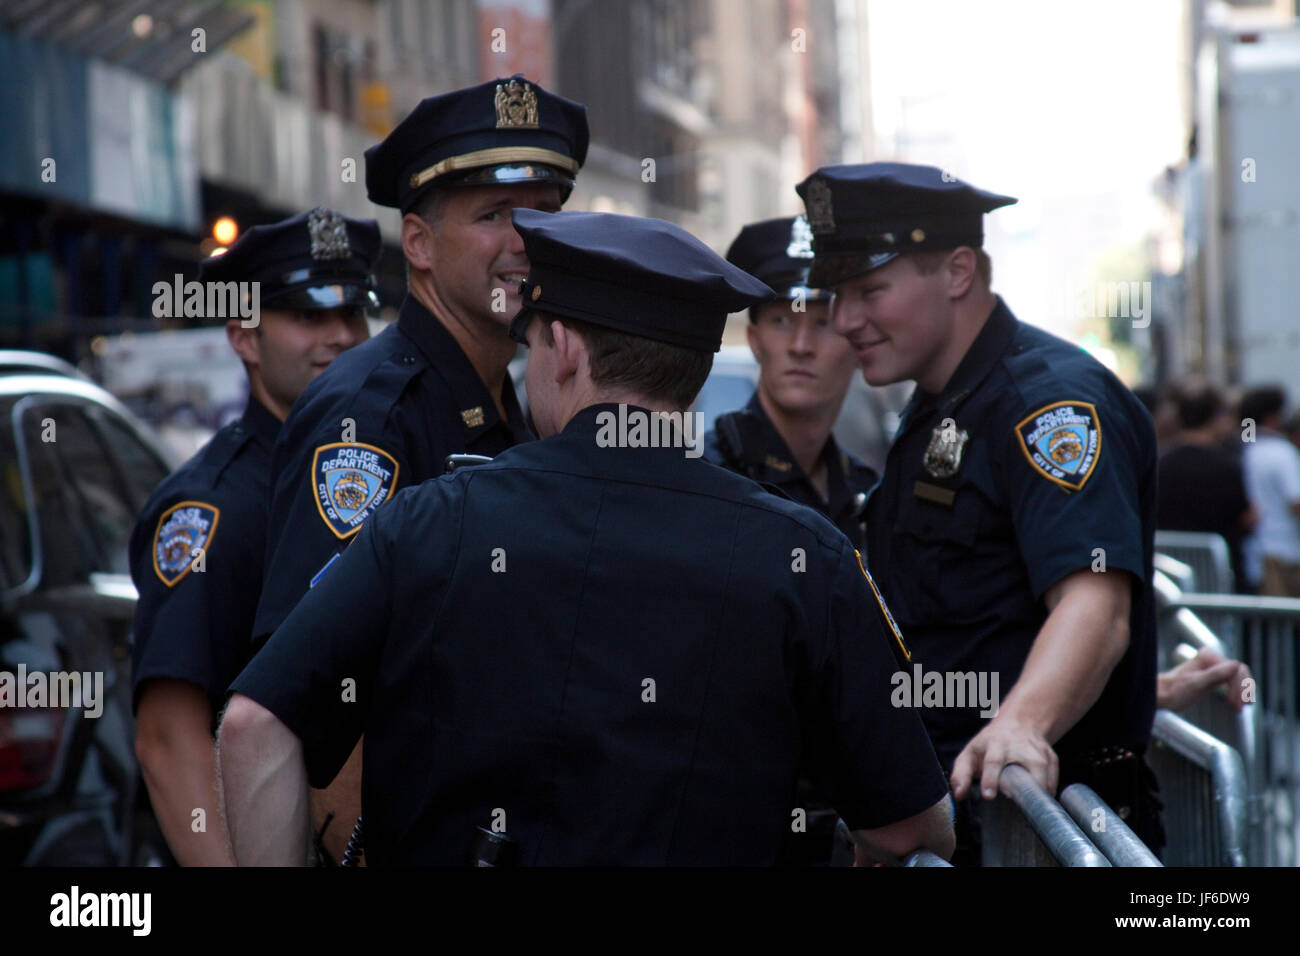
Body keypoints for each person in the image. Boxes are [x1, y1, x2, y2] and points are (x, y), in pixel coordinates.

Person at [217, 209, 955, 866]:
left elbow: (254, 724)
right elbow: (910, 830)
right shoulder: (805, 557)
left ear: (563, 347)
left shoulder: (428, 520)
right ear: (691, 377)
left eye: (530, 343)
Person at [249, 76, 588, 858]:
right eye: (495, 215)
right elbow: (313, 703)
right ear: (419, 245)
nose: (525, 240)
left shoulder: (510, 398)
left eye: (543, 213)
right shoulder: (370, 419)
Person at [797, 162, 1160, 864]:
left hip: (1042, 830)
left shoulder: (1047, 402)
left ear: (958, 271)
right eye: (837, 295)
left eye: (870, 290)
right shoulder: (941, 401)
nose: (843, 321)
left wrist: (1022, 724)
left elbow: (1096, 602)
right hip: (959, 821)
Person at [129, 208, 378, 866]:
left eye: (352, 315)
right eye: (308, 316)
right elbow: (167, 738)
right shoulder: (211, 509)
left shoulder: (363, 467)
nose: (341, 337)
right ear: (244, 337)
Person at [703, 216, 877, 549]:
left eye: (823, 323)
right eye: (781, 321)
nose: (800, 346)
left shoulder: (864, 489)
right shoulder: (711, 479)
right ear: (755, 340)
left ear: (857, 345)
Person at [1156, 384, 1256, 591]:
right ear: (1214, 418)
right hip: (1222, 576)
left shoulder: (1160, 462)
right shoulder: (1227, 465)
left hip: (1170, 577)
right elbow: (1248, 517)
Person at [1240, 386, 1300, 597]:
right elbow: (1296, 502)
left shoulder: (1247, 449)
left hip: (1255, 550)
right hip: (1284, 551)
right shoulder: (1283, 453)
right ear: (1272, 416)